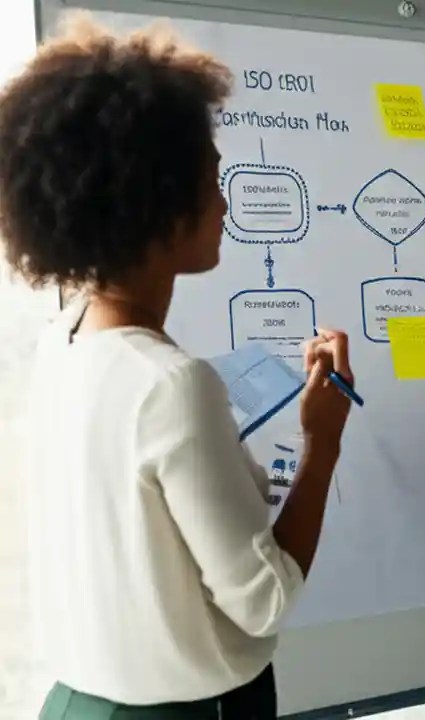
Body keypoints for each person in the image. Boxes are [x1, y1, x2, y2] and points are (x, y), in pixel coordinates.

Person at [1, 15, 355, 718]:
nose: (225, 204)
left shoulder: (60, 347)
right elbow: (265, 598)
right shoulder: (171, 385)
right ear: (155, 199)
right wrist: (323, 440)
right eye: (211, 181)